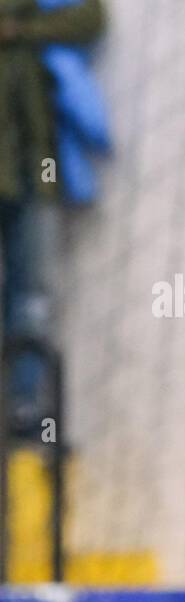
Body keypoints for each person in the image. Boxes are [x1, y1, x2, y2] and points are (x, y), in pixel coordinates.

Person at [0, 0, 107, 432]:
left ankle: (24, 411)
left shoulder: (33, 30)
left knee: (34, 298)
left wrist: (19, 29)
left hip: (34, 179)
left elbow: (91, 17)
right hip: (29, 179)